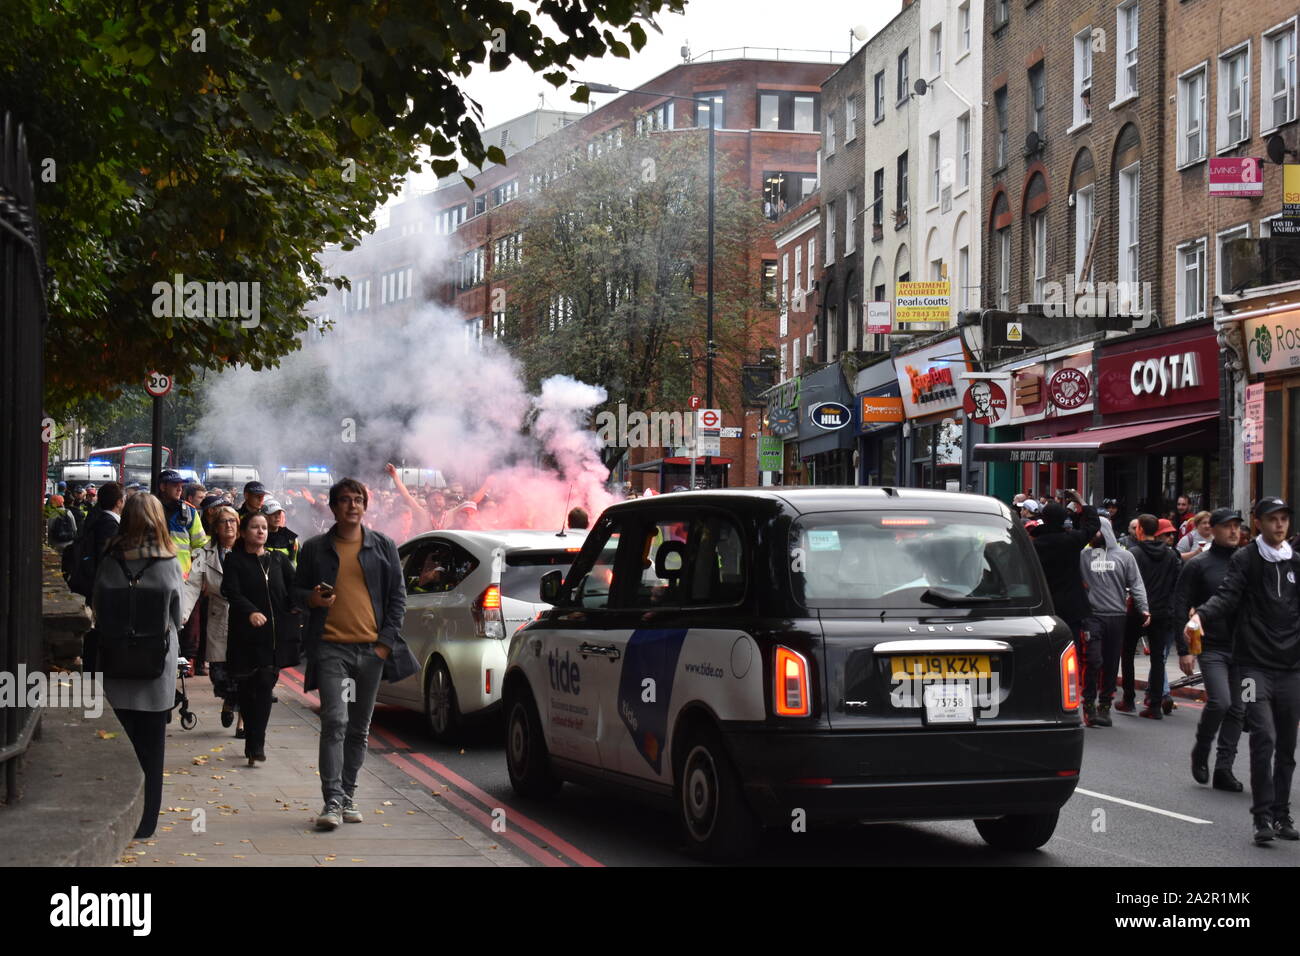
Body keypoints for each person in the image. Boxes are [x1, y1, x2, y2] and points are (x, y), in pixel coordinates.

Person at [295, 478, 417, 830]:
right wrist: (311, 599)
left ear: (366, 505)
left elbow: (398, 599)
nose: (352, 505)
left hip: (371, 652)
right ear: (333, 507)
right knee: (335, 721)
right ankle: (331, 801)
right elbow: (295, 592)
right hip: (332, 649)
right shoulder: (315, 548)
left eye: (358, 500)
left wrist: (383, 646)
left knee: (360, 728)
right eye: (345, 500)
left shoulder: (384, 547)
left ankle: (349, 794)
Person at [1188, 497, 1300, 845]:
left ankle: (1282, 815)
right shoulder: (1246, 559)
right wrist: (1200, 616)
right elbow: (1227, 596)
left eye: (1284, 519)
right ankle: (1262, 817)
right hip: (1253, 667)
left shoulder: (1296, 562)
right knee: (1263, 736)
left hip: (1291, 667)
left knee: (1286, 744)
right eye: (1272, 519)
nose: (1279, 525)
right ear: (1259, 523)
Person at [92, 493, 183, 839]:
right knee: (151, 749)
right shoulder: (168, 562)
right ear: (158, 522)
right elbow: (177, 615)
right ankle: (145, 824)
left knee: (118, 748)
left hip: (115, 665)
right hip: (154, 668)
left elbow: (97, 604)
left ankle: (116, 817)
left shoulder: (110, 560)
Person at [221, 511, 305, 766]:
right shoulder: (235, 561)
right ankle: (251, 741)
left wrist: (297, 604)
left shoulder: (278, 560)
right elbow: (230, 591)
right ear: (244, 532)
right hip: (246, 636)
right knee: (248, 689)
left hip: (273, 637)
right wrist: (251, 612)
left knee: (265, 685)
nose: (260, 532)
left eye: (264, 528)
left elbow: (294, 587)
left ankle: (257, 743)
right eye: (255, 528)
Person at [1175, 507, 1246, 792]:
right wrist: (1185, 649)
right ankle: (1201, 750)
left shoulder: (1248, 562)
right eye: (1227, 526)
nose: (1233, 532)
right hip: (1212, 646)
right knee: (1221, 702)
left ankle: (1224, 769)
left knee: (1239, 710)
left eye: (1237, 527)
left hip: (1244, 648)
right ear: (1212, 529)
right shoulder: (1198, 565)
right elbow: (1180, 604)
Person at [1030, 491, 1101, 719]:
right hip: (1072, 607)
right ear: (1064, 520)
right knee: (1073, 655)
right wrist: (1082, 502)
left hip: (1045, 607)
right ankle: (1071, 697)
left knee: (1045, 654)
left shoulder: (1035, 544)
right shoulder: (1071, 541)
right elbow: (1092, 526)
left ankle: (1045, 698)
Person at [1078, 514, 1150, 726]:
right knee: (1093, 660)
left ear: (1106, 531)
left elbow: (1136, 584)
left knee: (1110, 664)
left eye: (1096, 530)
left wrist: (1144, 608)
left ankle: (1105, 706)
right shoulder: (1084, 555)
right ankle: (1089, 705)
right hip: (1093, 616)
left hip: (1117, 616)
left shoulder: (1125, 557)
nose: (1092, 535)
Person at [183, 505, 240, 731]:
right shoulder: (203, 554)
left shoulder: (248, 550)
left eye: (232, 521)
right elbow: (192, 585)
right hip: (219, 617)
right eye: (223, 521)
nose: (228, 525)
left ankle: (242, 724)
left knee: (245, 673)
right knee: (219, 675)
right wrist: (182, 615)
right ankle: (229, 700)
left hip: (246, 619)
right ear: (215, 527)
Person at [1128, 515, 1191, 720]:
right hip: (1163, 611)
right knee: (1158, 658)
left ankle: (1128, 699)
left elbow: (1127, 584)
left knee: (1127, 654)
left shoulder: (1134, 554)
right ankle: (1155, 704)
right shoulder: (1171, 555)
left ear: (1140, 531)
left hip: (1138, 610)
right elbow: (1178, 584)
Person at [155, 469, 209, 579]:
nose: (180, 489)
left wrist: (201, 577)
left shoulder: (190, 511)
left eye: (181, 485)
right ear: (163, 487)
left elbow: (200, 546)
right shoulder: (149, 509)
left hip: (182, 577)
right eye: (175, 485)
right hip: (154, 575)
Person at [263, 498, 300, 566]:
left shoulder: (291, 538)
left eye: (279, 513)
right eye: (273, 513)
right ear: (265, 516)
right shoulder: (258, 536)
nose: (277, 516)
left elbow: (301, 562)